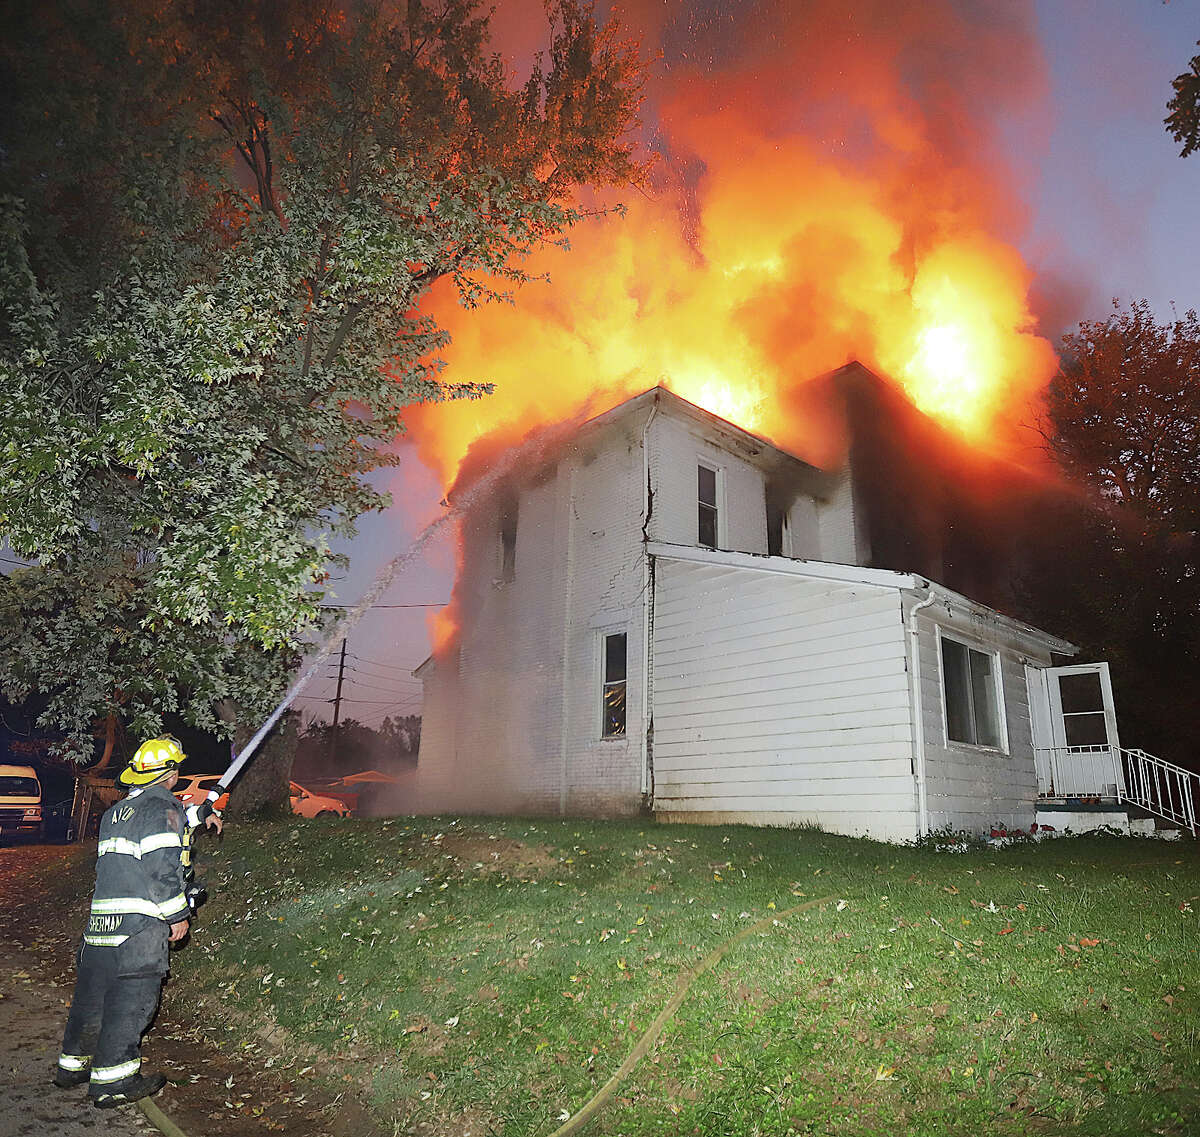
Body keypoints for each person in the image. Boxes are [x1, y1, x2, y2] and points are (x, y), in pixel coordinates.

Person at [53, 736, 223, 1108]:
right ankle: (114, 1081)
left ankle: (72, 1066)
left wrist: (198, 814)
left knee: (92, 996)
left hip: (100, 927)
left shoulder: (117, 812)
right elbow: (161, 866)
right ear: (173, 774)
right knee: (131, 1002)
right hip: (139, 927)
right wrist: (178, 915)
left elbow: (163, 824)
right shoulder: (163, 810)